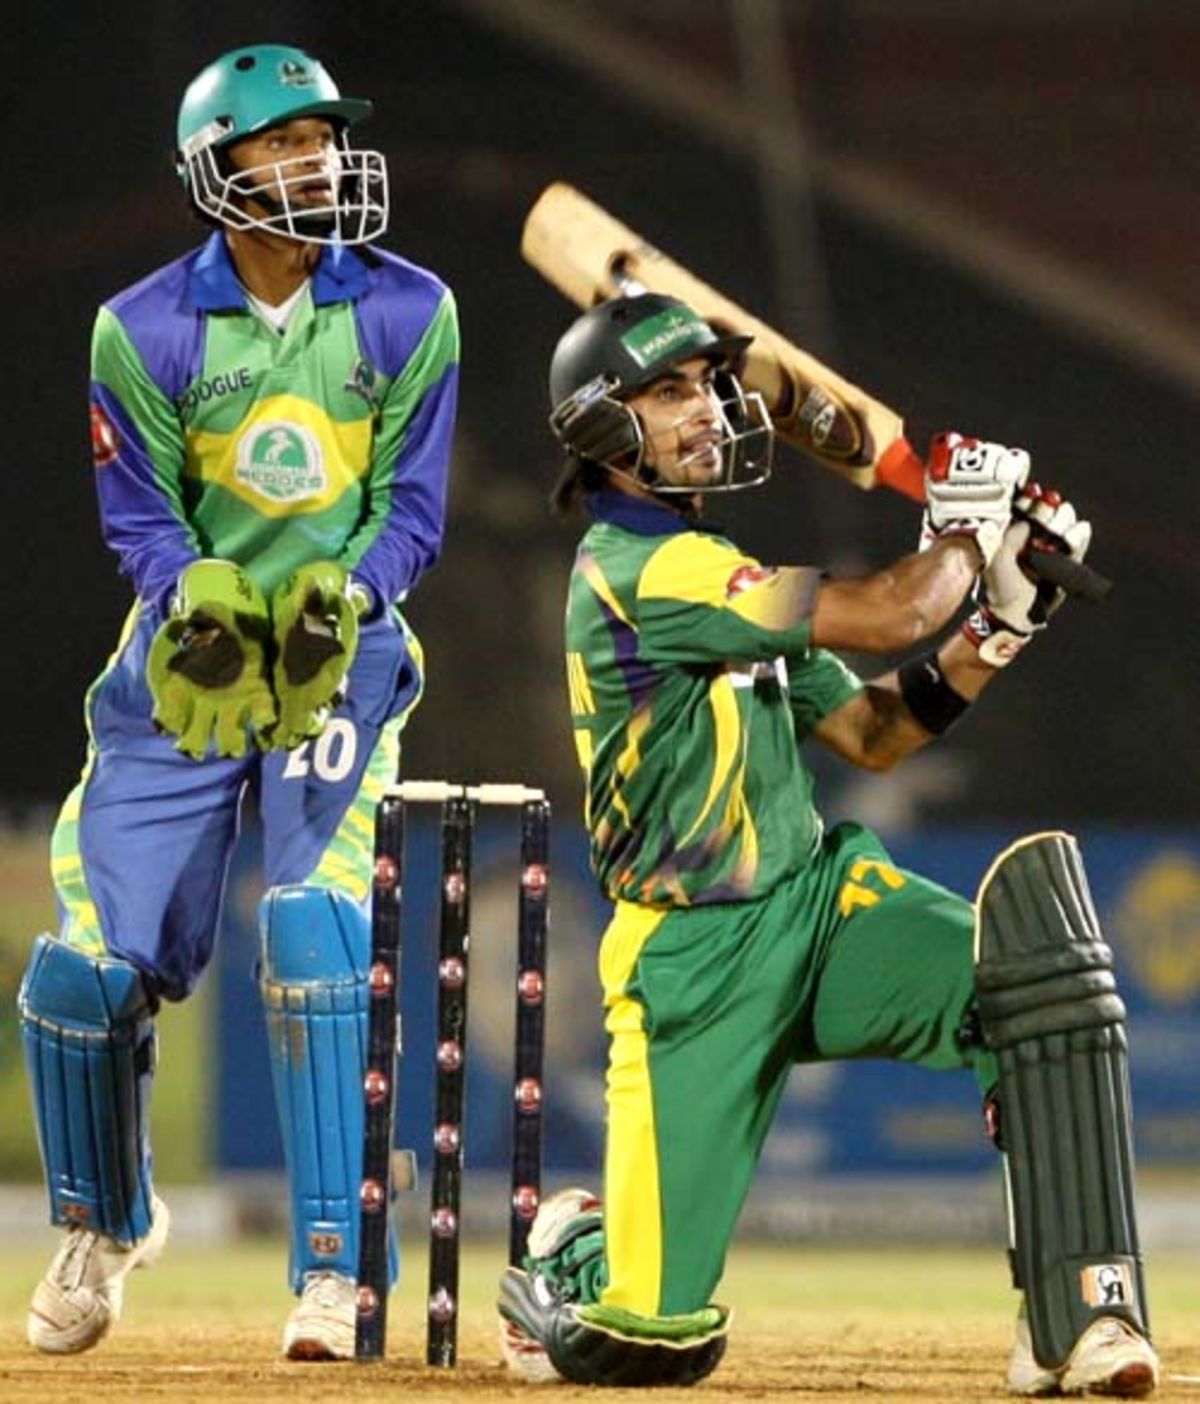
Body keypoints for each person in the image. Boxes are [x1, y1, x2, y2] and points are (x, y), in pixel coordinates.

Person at [496, 293, 1159, 1396]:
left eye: (709, 386)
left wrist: (1001, 622)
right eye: (670, 392)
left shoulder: (722, 572)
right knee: (649, 1345)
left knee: (1041, 990)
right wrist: (965, 527)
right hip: (691, 964)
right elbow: (894, 613)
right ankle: (575, 1255)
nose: (707, 409)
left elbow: (874, 731)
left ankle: (1082, 1314)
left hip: (815, 909)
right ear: (606, 428)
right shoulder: (646, 571)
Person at [18, 43, 459, 1361]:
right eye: (288, 142)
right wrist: (190, 595)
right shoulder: (140, 327)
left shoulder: (410, 308)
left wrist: (354, 595)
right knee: (86, 973)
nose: (322, 162)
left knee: (316, 926)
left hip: (341, 650)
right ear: (219, 170)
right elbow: (140, 517)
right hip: (191, 659)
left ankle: (336, 1269)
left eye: (327, 139)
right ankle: (104, 1222)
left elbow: (412, 509)